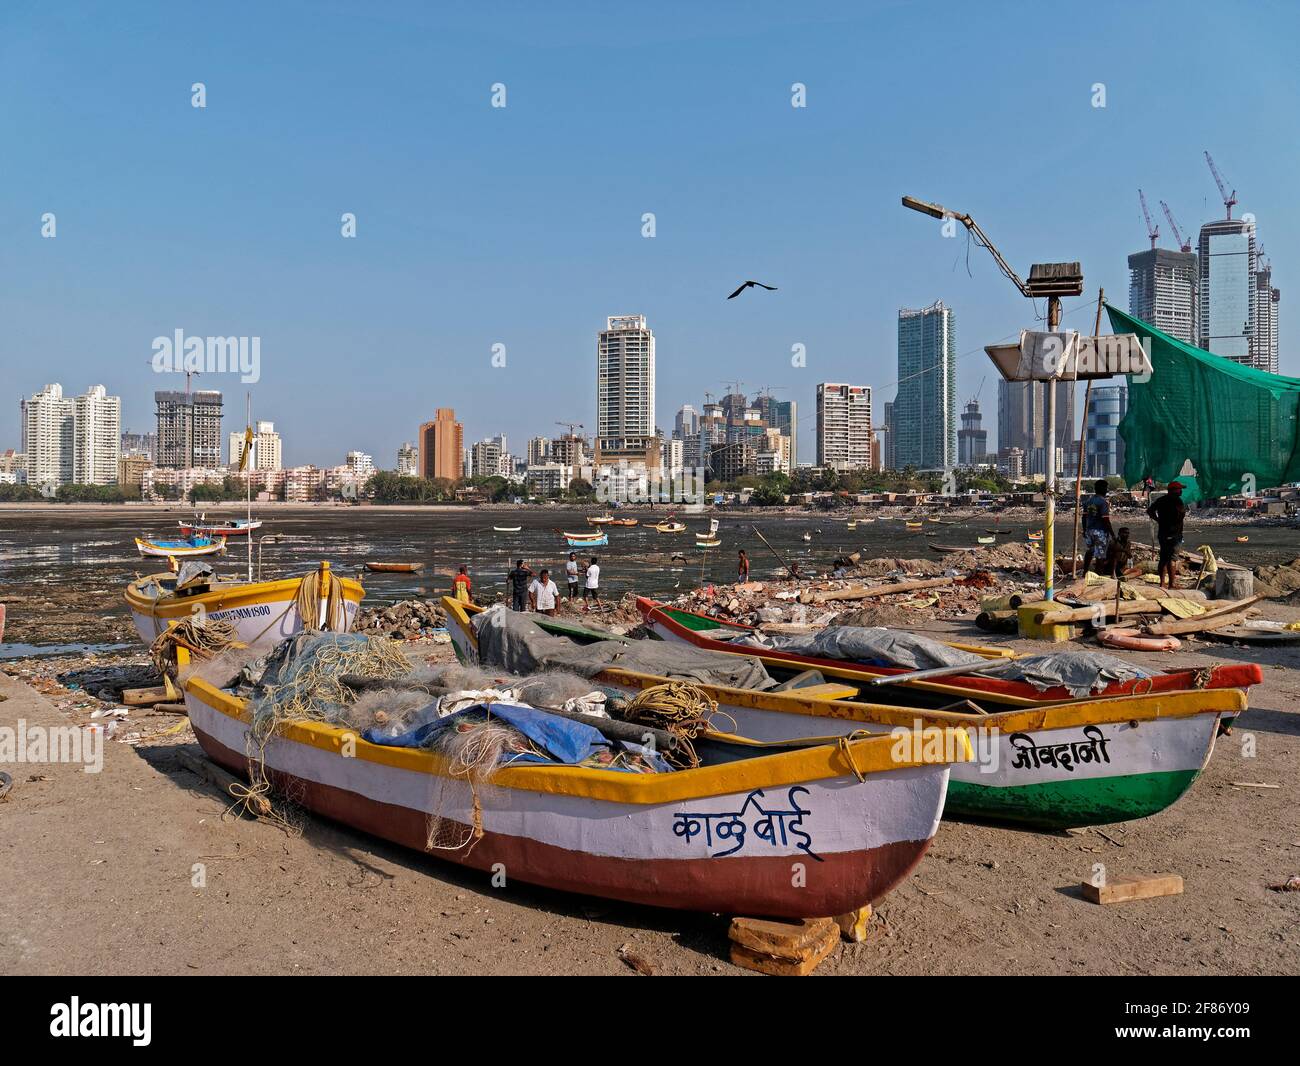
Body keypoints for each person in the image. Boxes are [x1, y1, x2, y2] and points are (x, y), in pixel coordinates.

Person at [1148, 481, 1187, 588]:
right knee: (1172, 559)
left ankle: (1162, 583)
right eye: (1179, 489)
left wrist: (1158, 520)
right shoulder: (1178, 502)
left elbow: (1150, 510)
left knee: (1163, 558)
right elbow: (1181, 515)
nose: (1181, 491)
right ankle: (1172, 583)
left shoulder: (1161, 500)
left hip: (1163, 534)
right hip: (1175, 535)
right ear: (1173, 490)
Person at [1081, 479, 1114, 575]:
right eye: (1106, 488)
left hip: (1089, 530)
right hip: (1100, 531)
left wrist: (1084, 530)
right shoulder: (1103, 502)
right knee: (1100, 554)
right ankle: (1098, 574)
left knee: (1090, 551)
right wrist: (1112, 534)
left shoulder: (1088, 501)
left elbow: (1084, 517)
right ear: (1103, 489)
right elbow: (1106, 520)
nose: (1107, 490)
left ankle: (1085, 572)